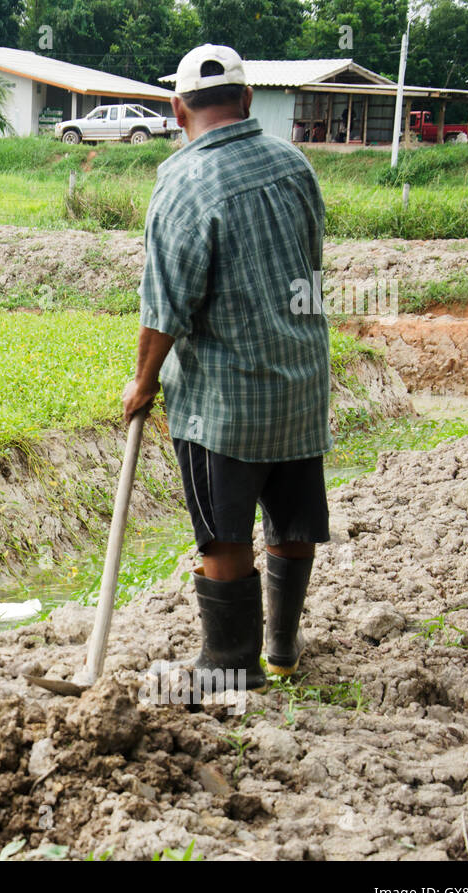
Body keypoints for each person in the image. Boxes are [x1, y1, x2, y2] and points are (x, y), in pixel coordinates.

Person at [122, 44, 331, 693]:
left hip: (226, 400)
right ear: (245, 100)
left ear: (177, 108)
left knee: (223, 531)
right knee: (293, 518)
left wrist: (144, 380)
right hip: (300, 380)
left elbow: (166, 306)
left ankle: (227, 664)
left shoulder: (181, 183)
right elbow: (313, 265)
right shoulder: (294, 164)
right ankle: (281, 647)